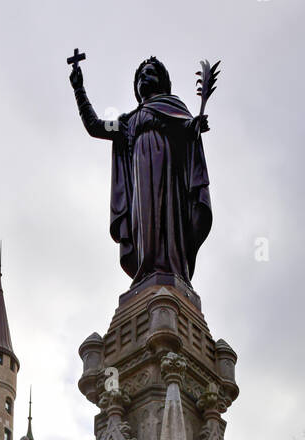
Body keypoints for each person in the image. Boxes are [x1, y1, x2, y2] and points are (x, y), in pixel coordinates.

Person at [70, 55, 213, 286]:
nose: (144, 77)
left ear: (162, 82)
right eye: (140, 75)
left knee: (167, 220)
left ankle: (171, 271)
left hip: (167, 175)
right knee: (143, 223)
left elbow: (187, 130)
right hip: (140, 180)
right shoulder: (128, 121)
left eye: (150, 72)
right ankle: (147, 271)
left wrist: (194, 127)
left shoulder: (172, 107)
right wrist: (79, 89)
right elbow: (95, 126)